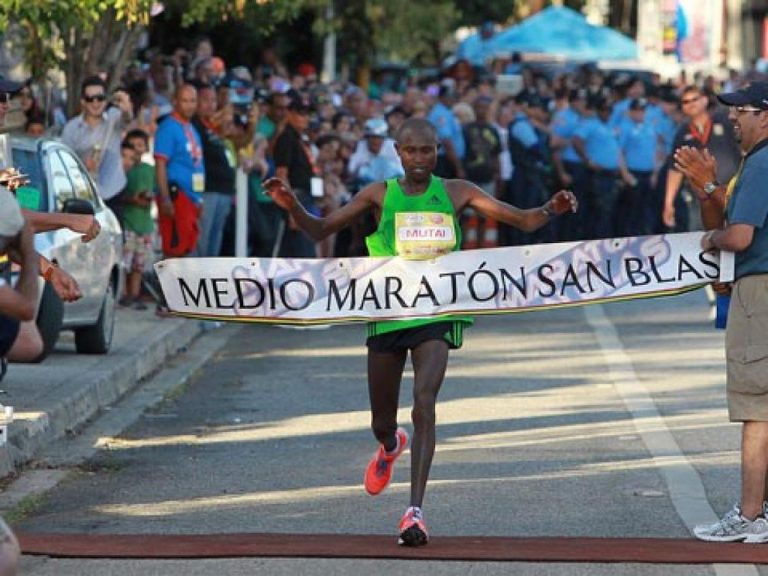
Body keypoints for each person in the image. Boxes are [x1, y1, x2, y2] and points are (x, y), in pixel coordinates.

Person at [264, 117, 577, 547]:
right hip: (388, 312)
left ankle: (415, 512)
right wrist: (293, 206)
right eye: (411, 151)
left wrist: (549, 209)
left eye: (427, 150)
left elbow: (522, 221)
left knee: (425, 401)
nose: (419, 159)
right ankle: (391, 445)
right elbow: (320, 228)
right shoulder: (380, 193)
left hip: (436, 310)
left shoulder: (456, 191)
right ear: (398, 152)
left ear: (436, 152)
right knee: (381, 421)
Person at [674, 82, 768, 543]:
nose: (733, 118)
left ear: (766, 116)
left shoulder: (763, 161)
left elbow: (738, 235)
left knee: (756, 406)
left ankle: (750, 515)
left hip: (761, 291)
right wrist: (708, 185)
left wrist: (710, 241)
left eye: (742, 110)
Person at [662, 84, 740, 232]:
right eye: (685, 102)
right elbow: (675, 168)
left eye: (694, 99)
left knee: (733, 232)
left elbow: (744, 152)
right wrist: (668, 202)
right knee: (700, 236)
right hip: (700, 195)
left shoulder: (724, 122)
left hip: (729, 191)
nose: (690, 104)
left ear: (704, 100)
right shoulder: (682, 133)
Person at [60, 76, 134, 217]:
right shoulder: (72, 128)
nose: (95, 103)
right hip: (85, 195)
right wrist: (81, 167)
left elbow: (127, 118)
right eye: (90, 99)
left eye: (100, 98)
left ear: (105, 100)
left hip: (114, 191)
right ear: (83, 101)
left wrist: (126, 106)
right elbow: (64, 162)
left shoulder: (114, 117)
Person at [154, 83, 204, 260]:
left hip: (192, 197)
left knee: (187, 246)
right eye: (185, 101)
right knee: (175, 247)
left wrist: (199, 198)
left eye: (193, 101)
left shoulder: (190, 127)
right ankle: (169, 287)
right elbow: (160, 164)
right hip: (176, 196)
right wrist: (166, 198)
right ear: (175, 101)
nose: (190, 105)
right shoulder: (168, 127)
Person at [120, 131, 155, 310]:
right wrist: (133, 199)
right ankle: (124, 294)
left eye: (140, 145)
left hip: (145, 225)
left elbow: (152, 192)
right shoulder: (122, 171)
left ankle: (134, 295)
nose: (136, 150)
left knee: (139, 264)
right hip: (128, 222)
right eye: (132, 145)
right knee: (126, 262)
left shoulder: (149, 169)